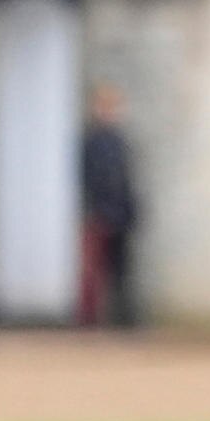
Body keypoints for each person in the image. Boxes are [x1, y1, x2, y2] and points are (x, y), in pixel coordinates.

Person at [76, 82, 142, 329]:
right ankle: (89, 321)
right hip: (100, 215)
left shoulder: (119, 142)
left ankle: (123, 317)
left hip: (120, 215)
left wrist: (130, 210)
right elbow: (89, 179)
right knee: (94, 271)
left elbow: (125, 181)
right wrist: (95, 210)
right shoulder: (92, 142)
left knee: (121, 270)